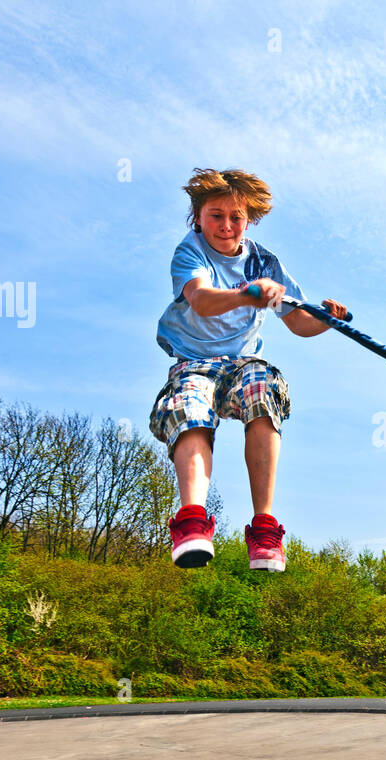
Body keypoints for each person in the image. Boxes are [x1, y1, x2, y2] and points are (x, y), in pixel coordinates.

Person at [148, 168, 347, 571]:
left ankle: (264, 528)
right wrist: (247, 295)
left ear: (249, 220)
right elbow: (201, 300)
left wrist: (326, 318)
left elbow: (298, 322)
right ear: (198, 218)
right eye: (215, 216)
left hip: (244, 362)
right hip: (194, 361)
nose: (225, 226)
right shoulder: (191, 252)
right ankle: (191, 522)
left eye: (235, 217)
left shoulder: (263, 261)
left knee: (263, 390)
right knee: (189, 410)